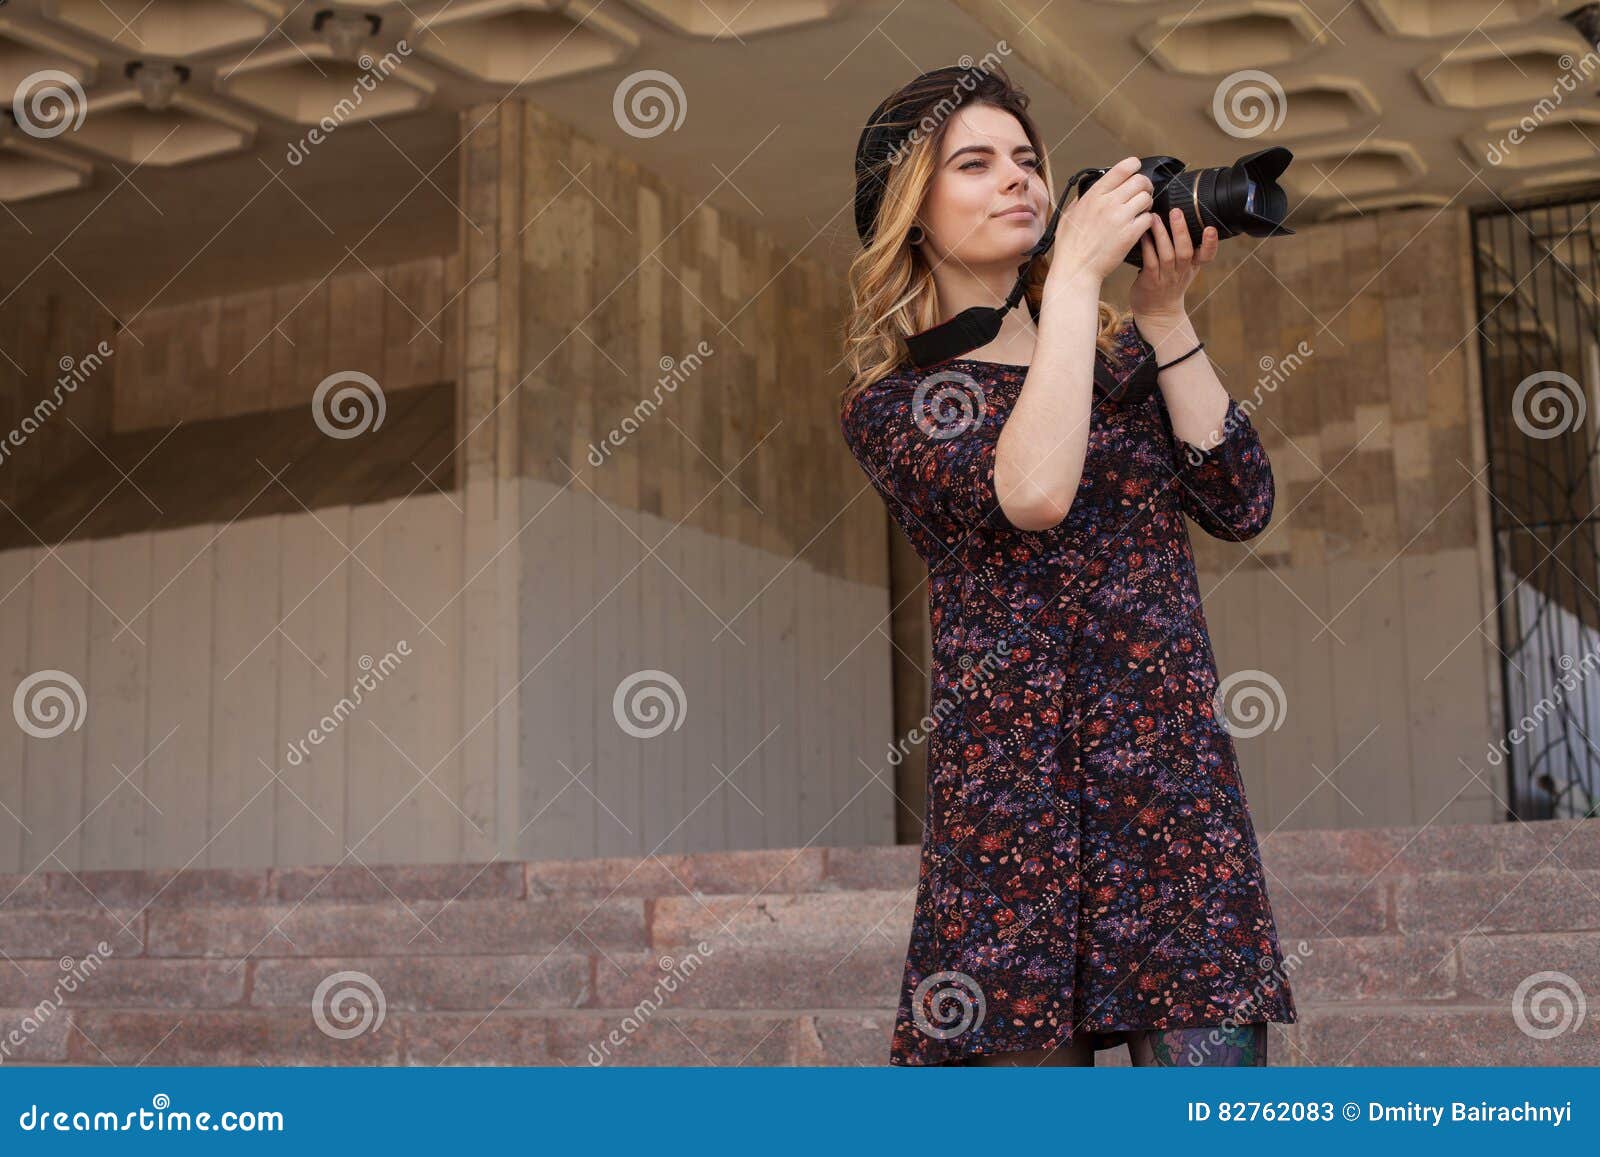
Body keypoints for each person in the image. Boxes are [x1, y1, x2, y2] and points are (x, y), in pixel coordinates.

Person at [838, 63, 1298, 1067]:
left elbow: (1239, 499)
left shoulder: (1116, 362)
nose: (1017, 180)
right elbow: (1033, 490)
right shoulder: (896, 404)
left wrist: (1165, 318)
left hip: (1171, 795)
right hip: (1013, 814)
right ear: (912, 212)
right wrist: (1078, 285)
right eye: (975, 163)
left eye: (1025, 160)